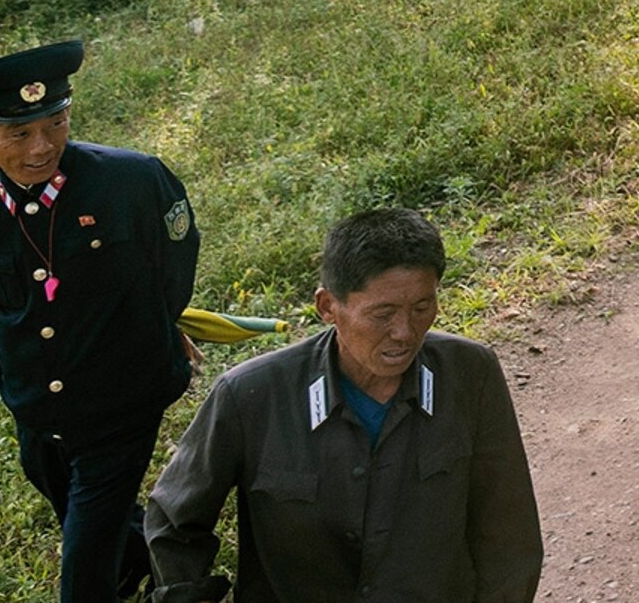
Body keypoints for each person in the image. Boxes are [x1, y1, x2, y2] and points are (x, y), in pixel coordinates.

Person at [143, 207, 542, 603]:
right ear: (327, 307)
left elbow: (509, 531)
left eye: (422, 308)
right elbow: (174, 520)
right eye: (382, 314)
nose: (404, 333)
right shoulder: (250, 396)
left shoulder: (471, 374)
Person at [0, 37, 200, 603]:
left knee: (83, 566)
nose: (42, 147)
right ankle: (161, 574)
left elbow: (174, 265)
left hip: (120, 399)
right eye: (19, 134)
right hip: (36, 407)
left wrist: (158, 325)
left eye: (55, 123)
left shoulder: (133, 181)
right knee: (88, 516)